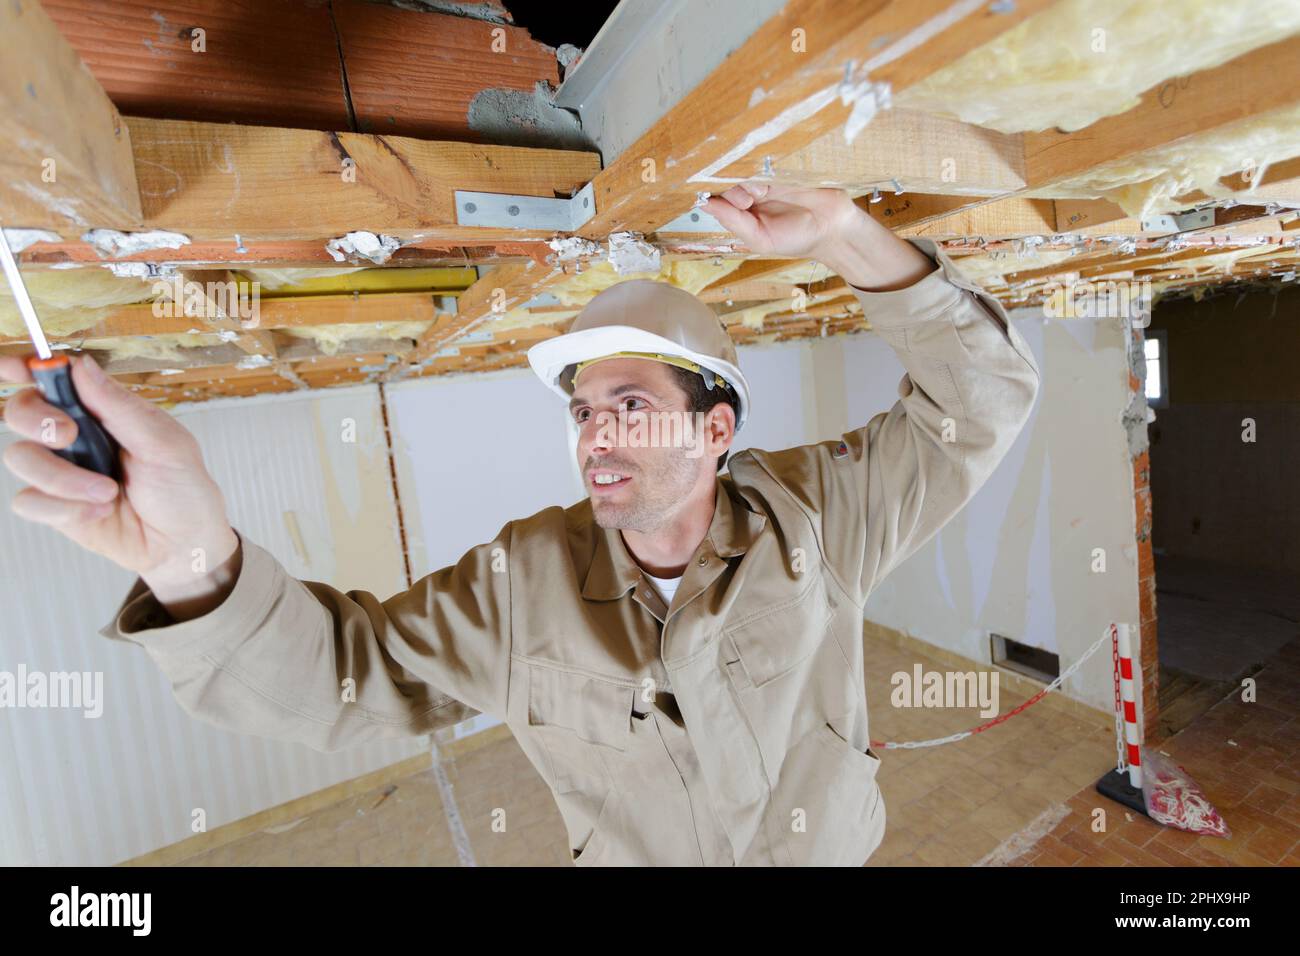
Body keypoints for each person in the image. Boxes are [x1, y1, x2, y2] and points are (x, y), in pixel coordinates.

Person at [1, 184, 1040, 865]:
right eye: (583, 410)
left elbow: (978, 402)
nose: (595, 434)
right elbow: (343, 677)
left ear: (715, 424)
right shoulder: (521, 582)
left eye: (630, 405)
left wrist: (850, 235)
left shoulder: (819, 515)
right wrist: (189, 556)